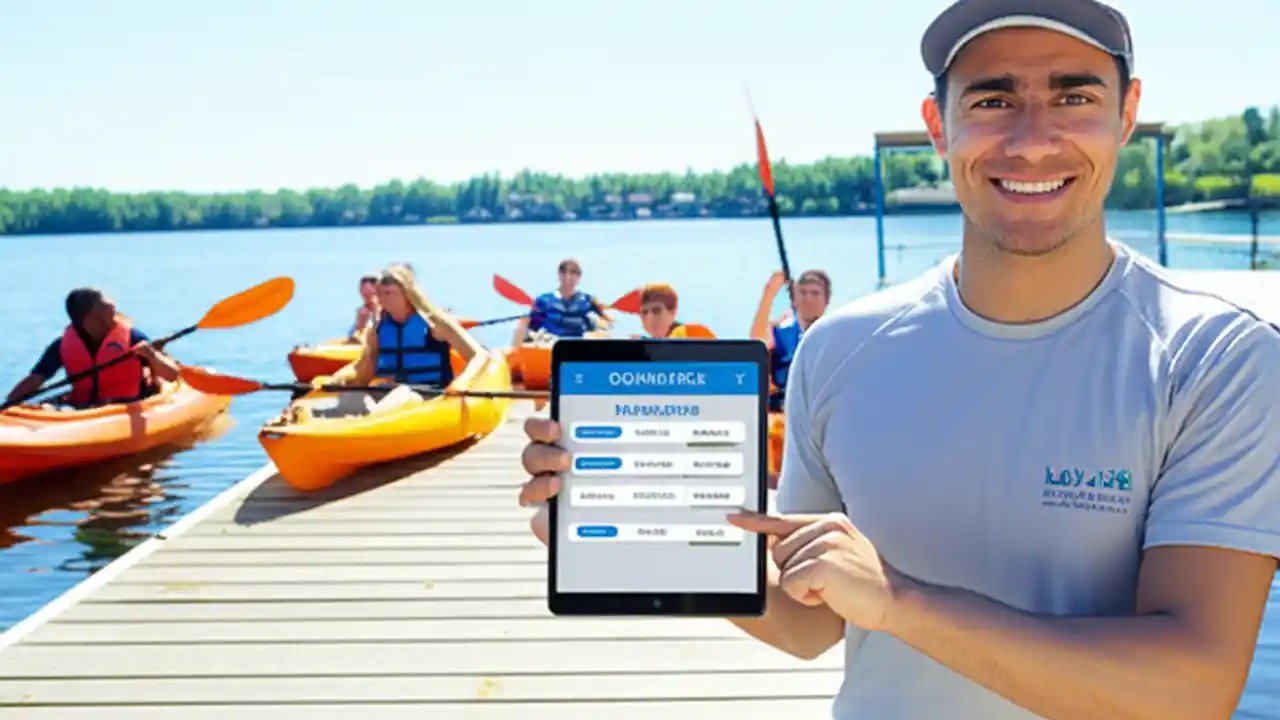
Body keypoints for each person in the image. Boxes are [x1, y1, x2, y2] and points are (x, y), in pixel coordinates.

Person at [516, 2, 1280, 718]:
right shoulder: (842, 348)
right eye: (991, 101)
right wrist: (614, 521)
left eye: (1074, 98)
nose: (1031, 139)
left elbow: (1192, 686)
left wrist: (900, 602)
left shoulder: (1215, 356)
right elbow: (805, 621)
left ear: (1128, 114)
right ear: (937, 126)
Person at [316, 264, 483, 393]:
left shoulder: (435, 323)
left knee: (401, 393)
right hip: (388, 393)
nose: (381, 299)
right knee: (350, 398)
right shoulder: (377, 326)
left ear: (407, 294)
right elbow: (363, 369)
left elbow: (478, 356)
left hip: (428, 395)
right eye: (379, 294)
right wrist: (337, 379)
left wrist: (463, 383)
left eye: (388, 293)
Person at [5, 288, 180, 408]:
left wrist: (151, 356)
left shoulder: (133, 338)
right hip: (85, 407)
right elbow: (35, 379)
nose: (114, 312)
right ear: (90, 317)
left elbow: (172, 376)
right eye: (107, 309)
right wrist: (7, 405)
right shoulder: (62, 345)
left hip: (128, 405)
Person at [749, 268, 831, 411]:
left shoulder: (834, 333)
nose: (808, 299)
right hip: (783, 405)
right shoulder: (780, 330)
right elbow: (757, 343)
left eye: (815, 293)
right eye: (803, 292)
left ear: (826, 300)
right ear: (794, 298)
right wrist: (770, 292)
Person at [511, 258, 613, 345]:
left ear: (579, 277)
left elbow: (610, 321)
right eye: (564, 273)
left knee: (600, 328)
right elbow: (531, 326)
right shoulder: (544, 301)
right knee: (524, 323)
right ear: (559, 275)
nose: (568, 277)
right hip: (551, 344)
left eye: (573, 273)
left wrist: (605, 313)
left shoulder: (588, 300)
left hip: (580, 344)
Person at [634, 283, 716, 339]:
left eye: (656, 311)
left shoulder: (695, 332)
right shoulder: (644, 347)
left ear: (672, 312)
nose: (649, 317)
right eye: (644, 312)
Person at [349, 273, 380, 340]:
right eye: (364, 294)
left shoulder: (388, 312)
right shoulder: (363, 312)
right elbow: (351, 336)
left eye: (371, 293)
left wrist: (377, 314)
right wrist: (360, 326)